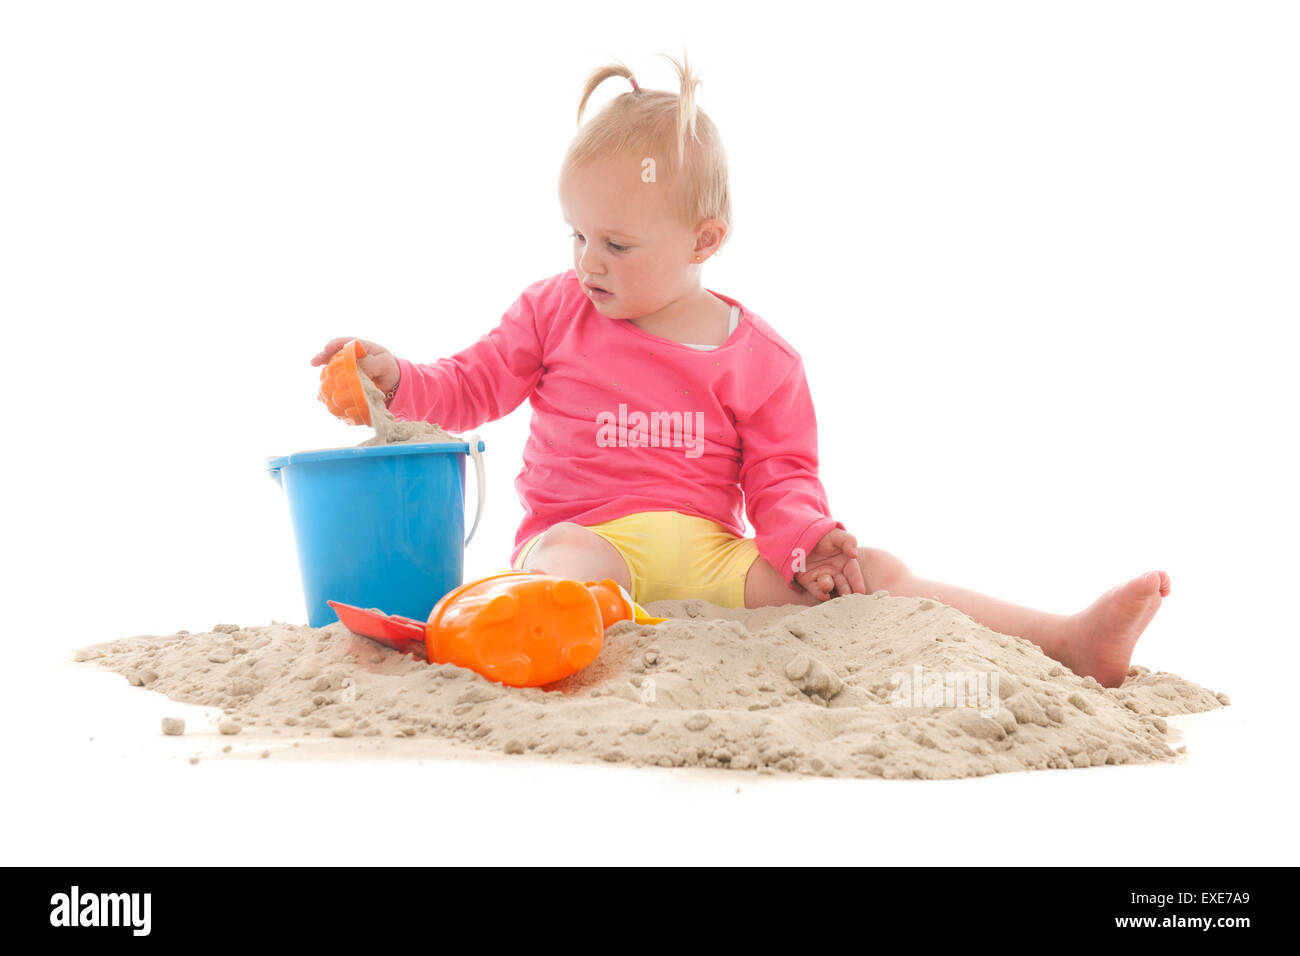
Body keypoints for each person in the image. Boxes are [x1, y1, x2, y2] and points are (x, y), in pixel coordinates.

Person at [311, 55, 1170, 688]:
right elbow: (472, 384)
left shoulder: (761, 360)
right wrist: (395, 377)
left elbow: (782, 478)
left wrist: (809, 542)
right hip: (585, 536)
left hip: (712, 559)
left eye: (615, 243)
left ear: (703, 241)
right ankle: (524, 642)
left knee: (876, 572)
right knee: (570, 572)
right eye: (575, 235)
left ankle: (1064, 639)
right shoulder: (553, 312)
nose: (587, 262)